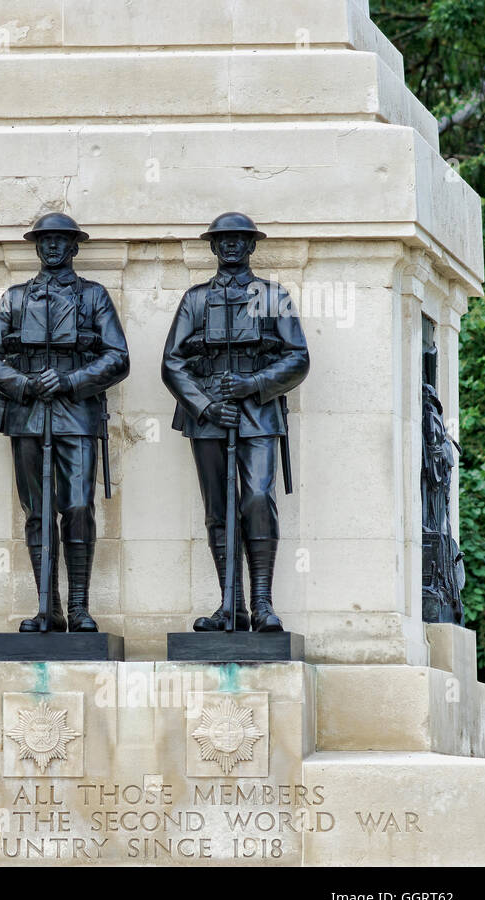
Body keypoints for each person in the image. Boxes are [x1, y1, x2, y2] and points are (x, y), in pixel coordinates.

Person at [0, 213, 129, 632]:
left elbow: (118, 357)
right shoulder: (15, 297)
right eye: (45, 240)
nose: (53, 247)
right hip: (26, 413)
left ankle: (79, 606)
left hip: (76, 413)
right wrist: (24, 383)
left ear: (74, 246)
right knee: (37, 512)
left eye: (61, 240)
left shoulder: (94, 296)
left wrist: (70, 380)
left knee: (78, 507)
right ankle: (49, 605)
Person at [161, 212, 309, 632]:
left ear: (251, 246)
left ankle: (262, 603)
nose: (230, 245)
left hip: (259, 411)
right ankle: (232, 604)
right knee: (218, 509)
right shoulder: (195, 299)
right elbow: (172, 363)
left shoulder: (272, 296)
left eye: (238, 239)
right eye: (222, 239)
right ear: (213, 246)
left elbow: (297, 357)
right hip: (208, 415)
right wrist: (205, 407)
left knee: (258, 499)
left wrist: (253, 384)